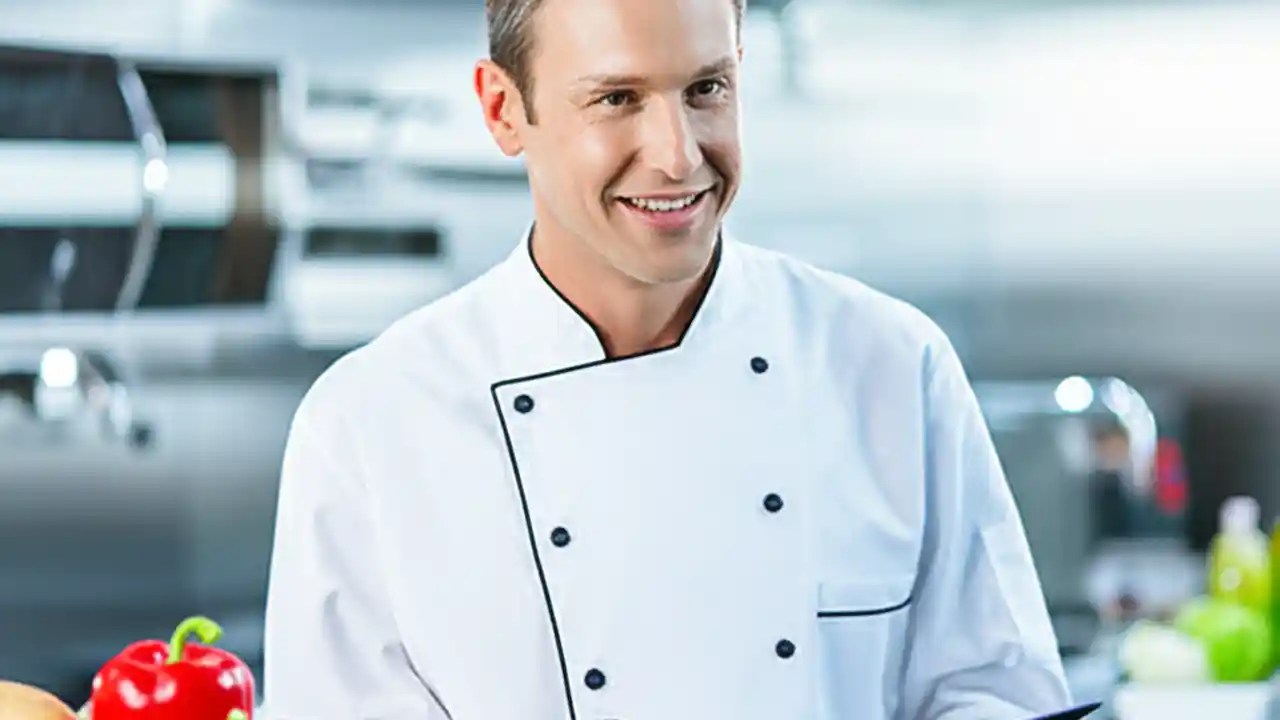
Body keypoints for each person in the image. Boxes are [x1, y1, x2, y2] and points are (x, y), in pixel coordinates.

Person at [262, 0, 1084, 717]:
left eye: (707, 89)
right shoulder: (371, 423)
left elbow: (995, 691)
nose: (679, 154)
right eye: (616, 99)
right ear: (504, 110)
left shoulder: (892, 366)